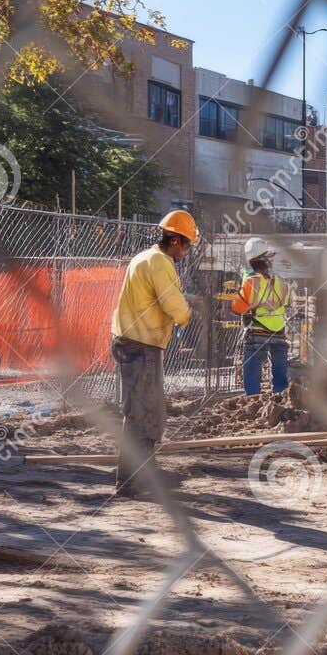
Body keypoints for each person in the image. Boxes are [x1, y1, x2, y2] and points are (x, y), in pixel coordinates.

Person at [110, 209, 197, 497]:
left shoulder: (143, 257)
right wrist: (187, 313)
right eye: (186, 244)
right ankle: (132, 481)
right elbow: (172, 302)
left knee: (142, 411)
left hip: (132, 340)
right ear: (175, 241)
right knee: (143, 413)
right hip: (142, 344)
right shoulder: (159, 263)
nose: (186, 251)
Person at [229, 236, 291, 396]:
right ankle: (280, 398)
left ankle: (253, 400)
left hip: (257, 331)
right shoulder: (280, 281)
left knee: (252, 368)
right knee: (280, 371)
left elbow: (237, 308)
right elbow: (286, 302)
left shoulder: (250, 282)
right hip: (279, 332)